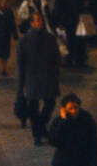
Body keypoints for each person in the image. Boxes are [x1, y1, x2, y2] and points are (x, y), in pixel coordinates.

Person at [16, 10, 62, 145]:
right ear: (31, 23)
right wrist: (20, 86)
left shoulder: (50, 38)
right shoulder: (24, 41)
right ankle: (37, 134)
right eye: (37, 20)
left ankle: (40, 127)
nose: (40, 22)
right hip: (32, 78)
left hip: (48, 77)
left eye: (40, 20)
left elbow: (56, 57)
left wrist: (56, 73)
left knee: (50, 103)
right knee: (33, 107)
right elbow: (20, 64)